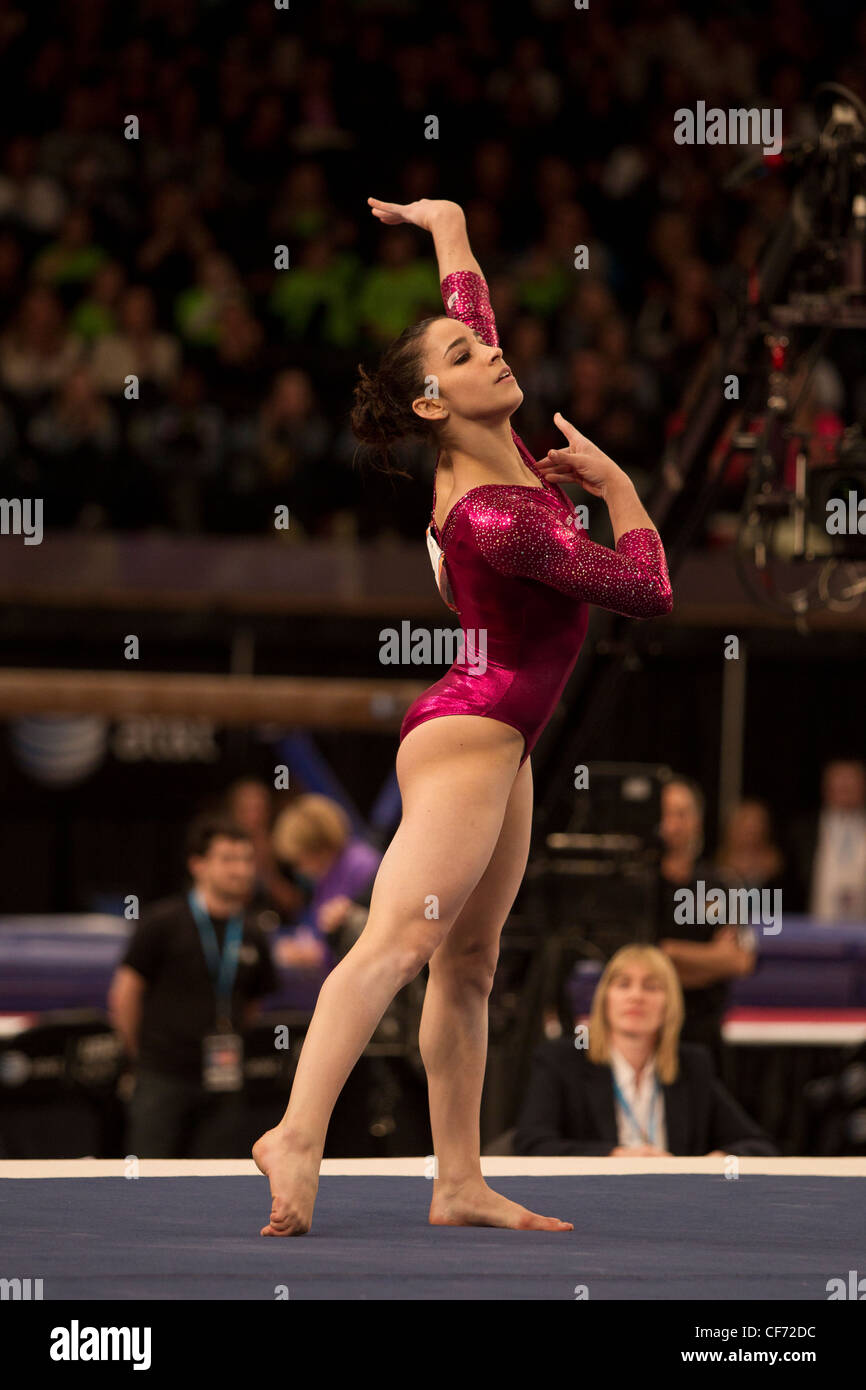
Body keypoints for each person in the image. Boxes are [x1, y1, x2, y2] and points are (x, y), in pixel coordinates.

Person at [251, 196, 672, 1237]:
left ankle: (457, 1179)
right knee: (398, 942)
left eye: (479, 343)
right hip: (470, 730)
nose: (488, 352)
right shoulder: (495, 513)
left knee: (469, 961)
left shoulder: (496, 448)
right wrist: (619, 486)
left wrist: (445, 227)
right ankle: (296, 1133)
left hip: (503, 741)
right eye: (462, 353)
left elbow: (465, 298)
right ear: (434, 402)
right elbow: (647, 589)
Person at [108, 816, 280, 1158]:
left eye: (246, 860)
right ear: (198, 864)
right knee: (149, 1178)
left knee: (216, 1184)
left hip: (225, 1079)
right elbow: (124, 994)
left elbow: (253, 1004)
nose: (240, 870)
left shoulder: (253, 931)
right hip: (162, 1075)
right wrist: (138, 1057)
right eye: (228, 859)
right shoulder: (163, 922)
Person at [513, 945, 777, 1157]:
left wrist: (713, 1162)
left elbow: (757, 1145)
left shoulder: (693, 1065)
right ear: (605, 999)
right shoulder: (561, 1060)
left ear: (669, 1004)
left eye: (651, 987)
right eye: (623, 984)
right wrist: (615, 1156)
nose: (636, 996)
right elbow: (532, 1144)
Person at [653, 777, 756, 1075]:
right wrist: (712, 958)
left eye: (682, 813)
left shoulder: (721, 883)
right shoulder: (641, 884)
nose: (673, 824)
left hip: (706, 1033)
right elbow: (645, 959)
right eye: (665, 813)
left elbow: (740, 960)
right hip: (650, 1033)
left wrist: (672, 953)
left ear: (698, 820)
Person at [791, 759, 866, 921]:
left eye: (851, 785)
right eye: (840, 785)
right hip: (814, 928)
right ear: (826, 788)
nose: (845, 789)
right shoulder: (803, 831)